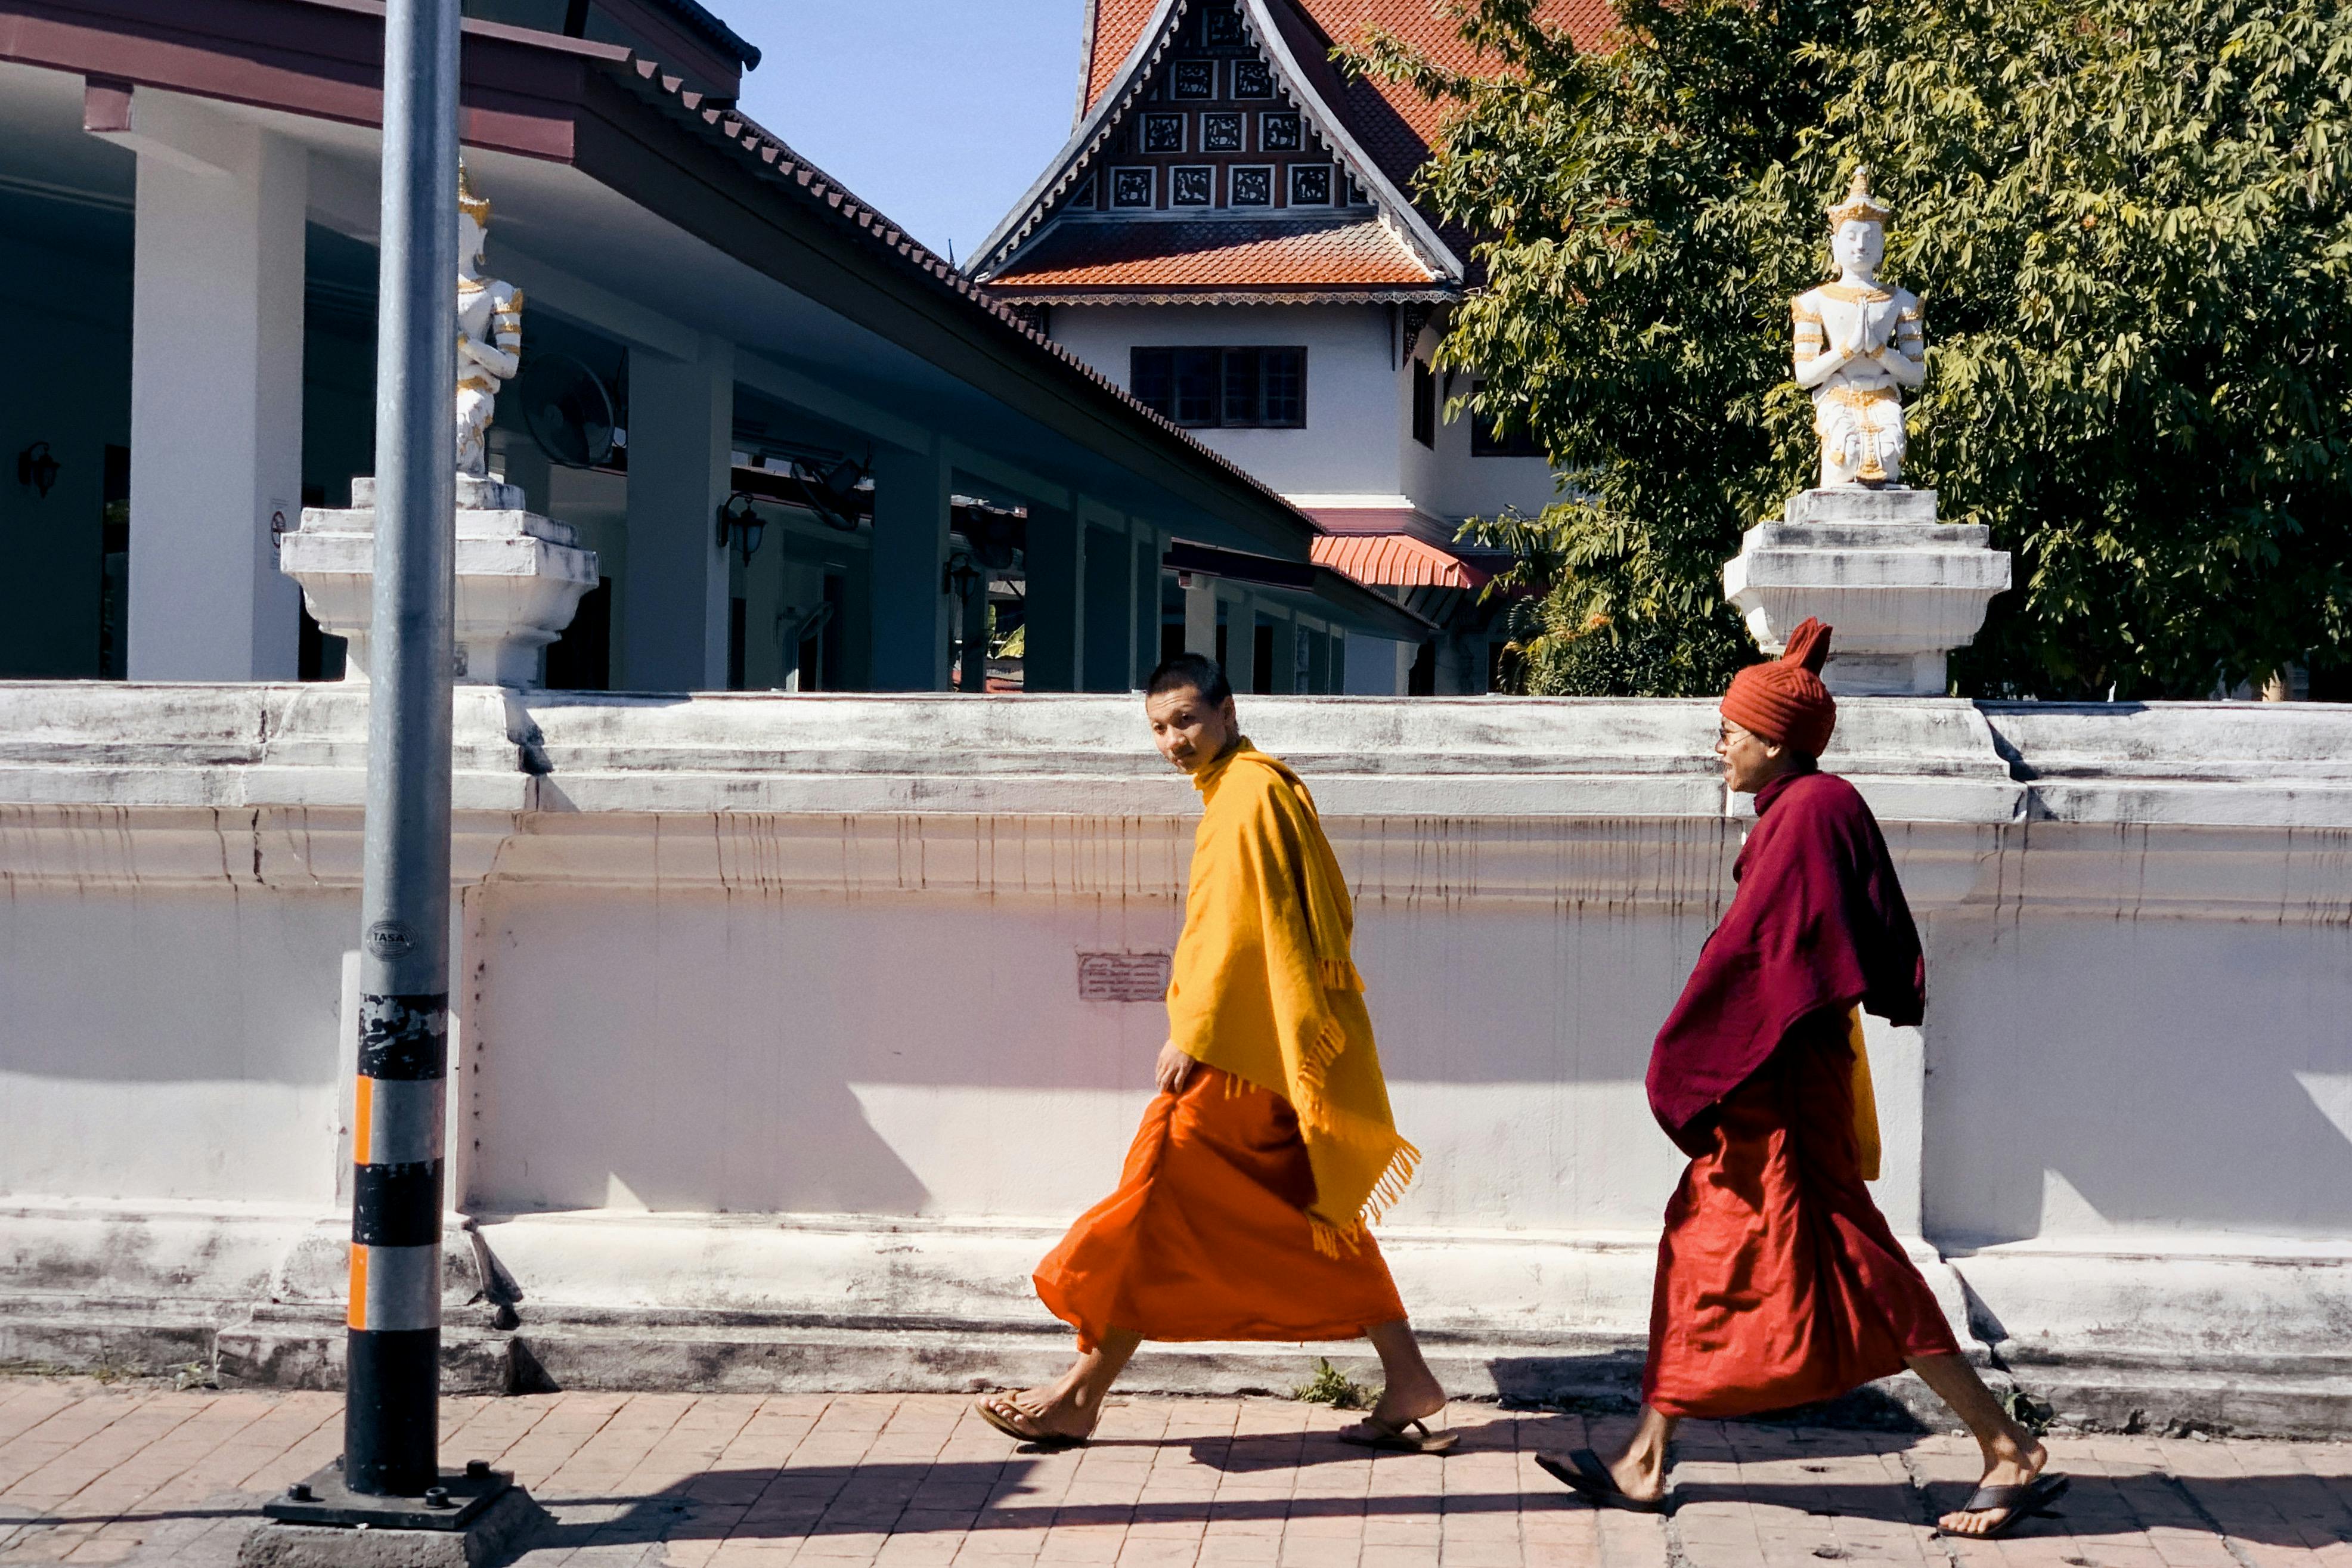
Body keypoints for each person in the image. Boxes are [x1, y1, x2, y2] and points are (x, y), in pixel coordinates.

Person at [1538, 619, 2066, 1539]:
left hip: (1781, 1090)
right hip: (1769, 1086)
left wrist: (1691, 1053)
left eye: (1730, 732)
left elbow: (1765, 962)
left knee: (1852, 1260)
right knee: (1702, 1248)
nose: (1719, 748)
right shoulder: (1803, 809)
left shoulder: (1813, 814)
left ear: (1775, 740)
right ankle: (1645, 1457)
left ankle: (2004, 1444)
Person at [975, 653, 1454, 1454]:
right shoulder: (1245, 789)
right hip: (1263, 1049)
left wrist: (1193, 1033)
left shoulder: (1247, 793)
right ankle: (1406, 1376)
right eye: (1160, 728)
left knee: (1155, 1194)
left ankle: (1078, 1396)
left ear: (1228, 712)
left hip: (1236, 1054)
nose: (1174, 740)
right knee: (1299, 1214)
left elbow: (1237, 937)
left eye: (1187, 720)